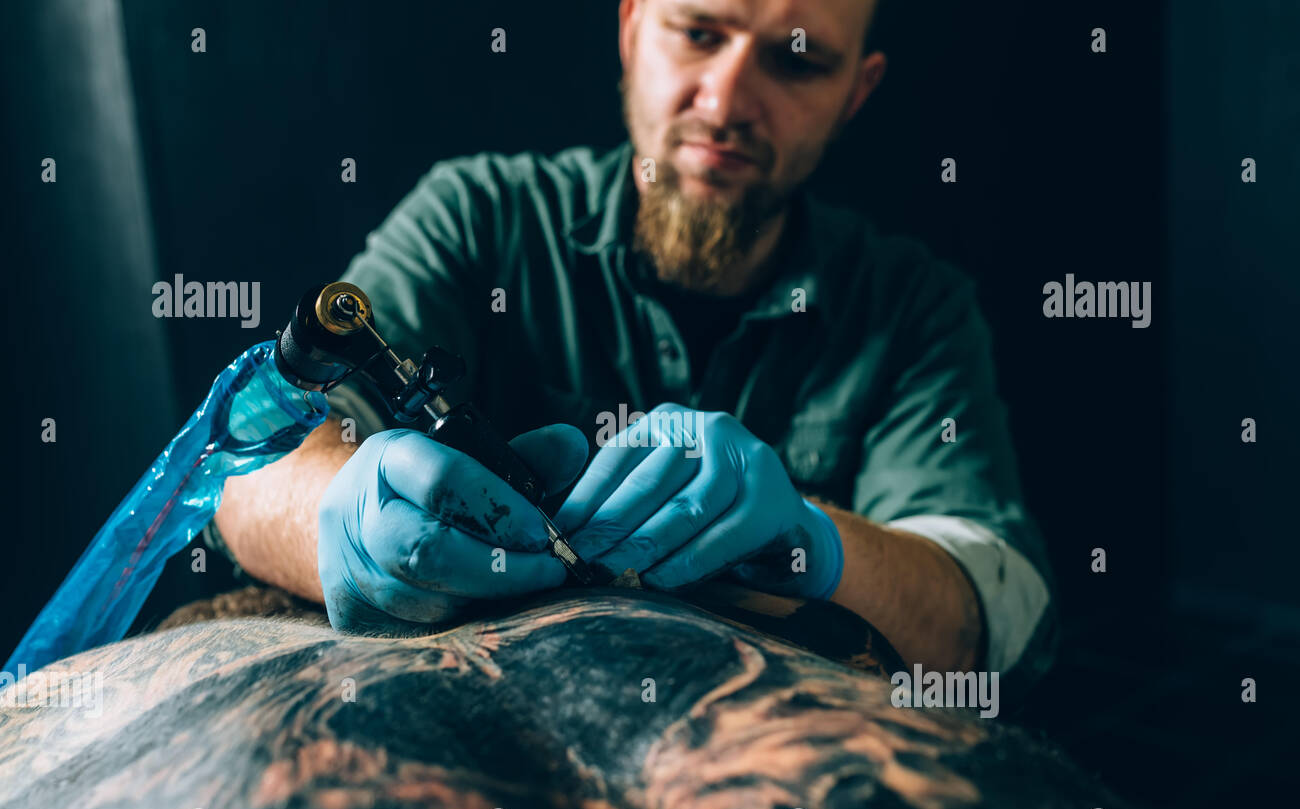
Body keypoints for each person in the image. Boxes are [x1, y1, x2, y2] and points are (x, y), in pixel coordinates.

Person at [209, 0, 1058, 693]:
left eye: (797, 60)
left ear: (856, 94)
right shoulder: (477, 220)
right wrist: (344, 519)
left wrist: (811, 541)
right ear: (630, 28)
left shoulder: (915, 307)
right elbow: (245, 476)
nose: (725, 104)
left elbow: (985, 609)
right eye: (698, 33)